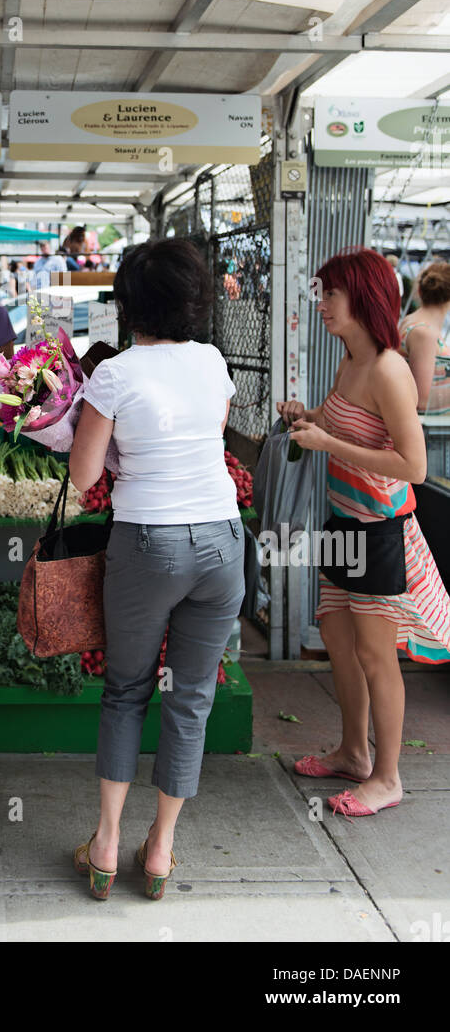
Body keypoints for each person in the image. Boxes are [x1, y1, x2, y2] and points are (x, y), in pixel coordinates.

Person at [68, 238, 244, 900]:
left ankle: (107, 843)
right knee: (190, 698)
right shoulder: (212, 363)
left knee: (125, 692)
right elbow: (207, 439)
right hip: (222, 544)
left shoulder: (114, 374)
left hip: (148, 544)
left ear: (128, 303)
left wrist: (94, 445)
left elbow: (85, 477)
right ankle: (160, 851)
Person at [281, 248, 450, 818]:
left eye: (332, 294)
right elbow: (340, 425)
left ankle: (388, 776)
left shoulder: (388, 369)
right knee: (336, 638)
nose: (323, 304)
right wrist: (307, 418)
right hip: (341, 523)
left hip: (380, 532)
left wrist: (327, 443)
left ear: (364, 297)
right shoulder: (349, 362)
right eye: (322, 293)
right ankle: (353, 753)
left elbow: (414, 467)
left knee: (378, 656)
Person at [398, 261, 450, 415]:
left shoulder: (412, 322)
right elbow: (421, 400)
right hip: (427, 434)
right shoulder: (424, 334)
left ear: (420, 291)